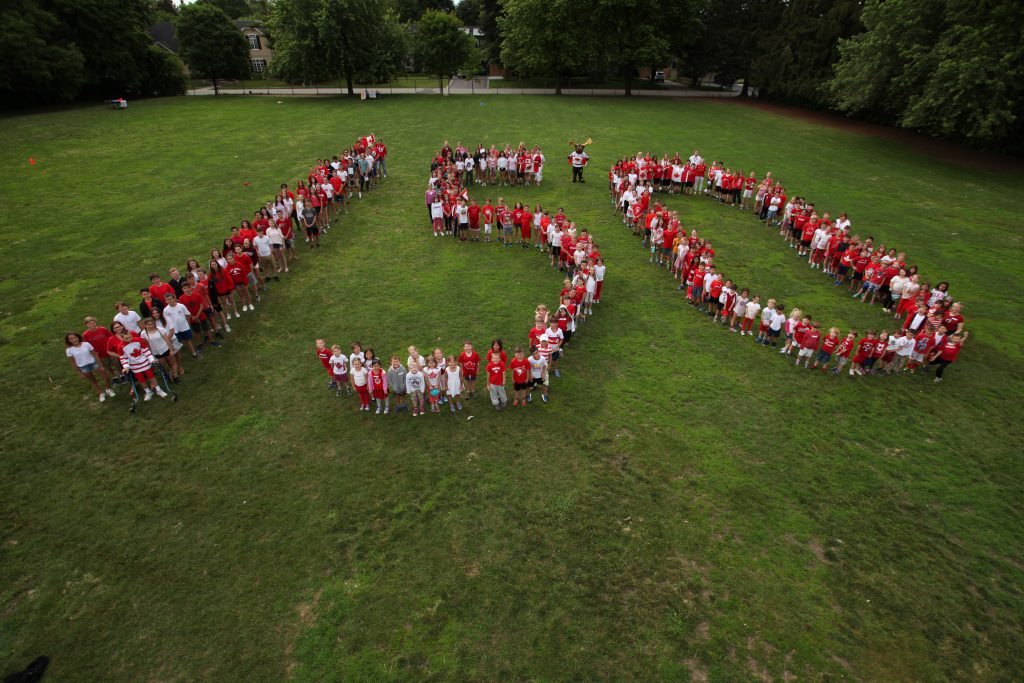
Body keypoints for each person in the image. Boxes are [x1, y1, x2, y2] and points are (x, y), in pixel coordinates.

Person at [116, 328, 167, 400]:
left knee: (151, 376)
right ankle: (148, 392)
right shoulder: (120, 346)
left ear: (131, 335)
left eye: (129, 337)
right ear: (122, 338)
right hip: (134, 366)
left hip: (145, 362)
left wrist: (151, 359)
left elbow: (146, 350)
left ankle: (158, 390)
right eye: (126, 338)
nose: (129, 339)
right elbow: (123, 358)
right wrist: (126, 366)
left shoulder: (138, 340)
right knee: (141, 379)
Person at [65, 332, 114, 401]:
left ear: (78, 337)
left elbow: (95, 355)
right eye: (71, 339)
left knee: (106, 377)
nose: (74, 340)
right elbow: (73, 363)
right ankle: (101, 393)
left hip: (93, 363)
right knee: (93, 381)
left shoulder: (86, 344)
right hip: (83, 367)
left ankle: (108, 389)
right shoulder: (69, 350)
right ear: (69, 341)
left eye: (75, 337)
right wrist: (79, 373)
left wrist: (101, 365)